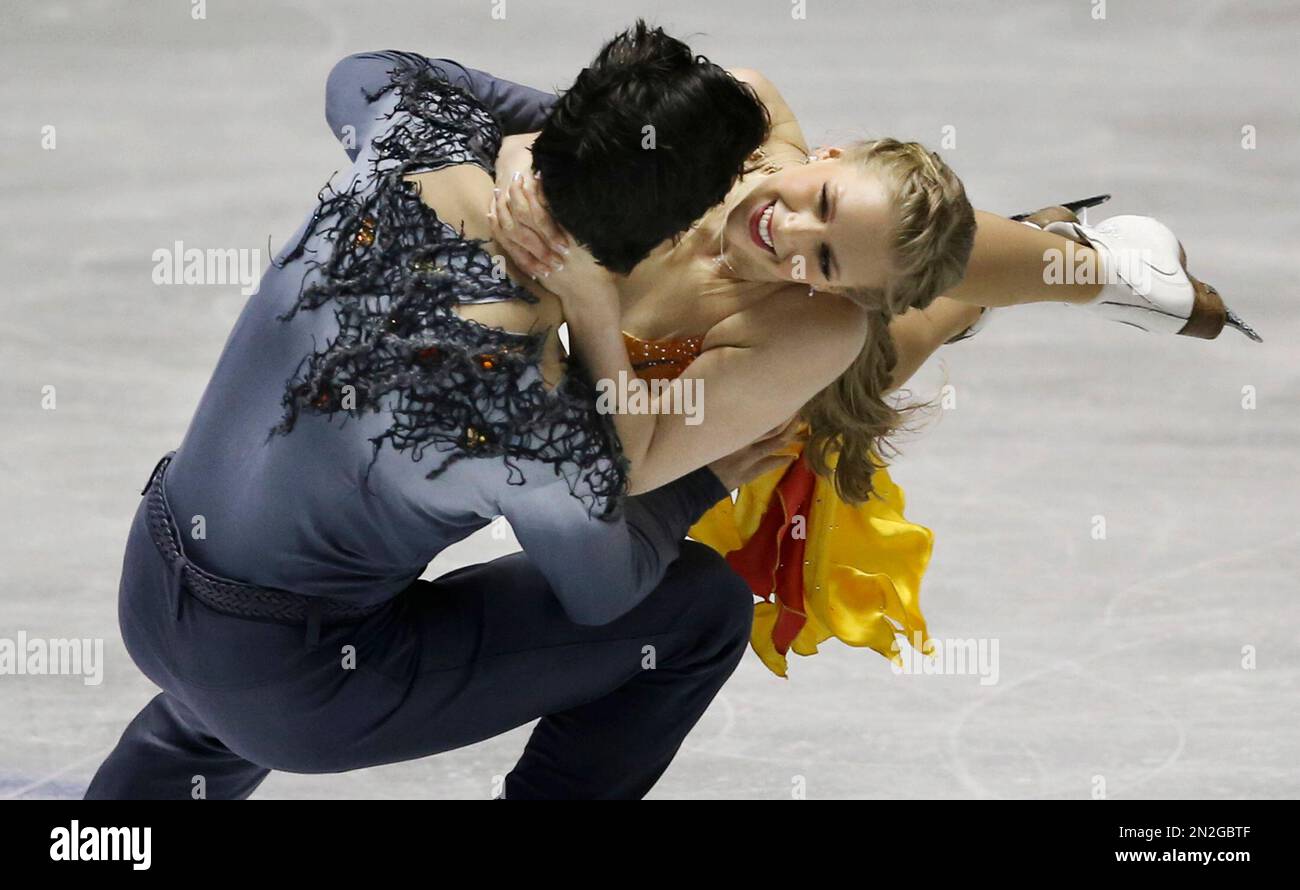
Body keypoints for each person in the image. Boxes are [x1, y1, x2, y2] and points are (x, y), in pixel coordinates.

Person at [86, 24, 785, 800]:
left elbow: (361, 70)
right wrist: (700, 476)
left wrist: (587, 149)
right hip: (298, 689)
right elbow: (604, 593)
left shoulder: (415, 141)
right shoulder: (529, 408)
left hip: (154, 585)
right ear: (669, 230)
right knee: (701, 609)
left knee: (236, 673)